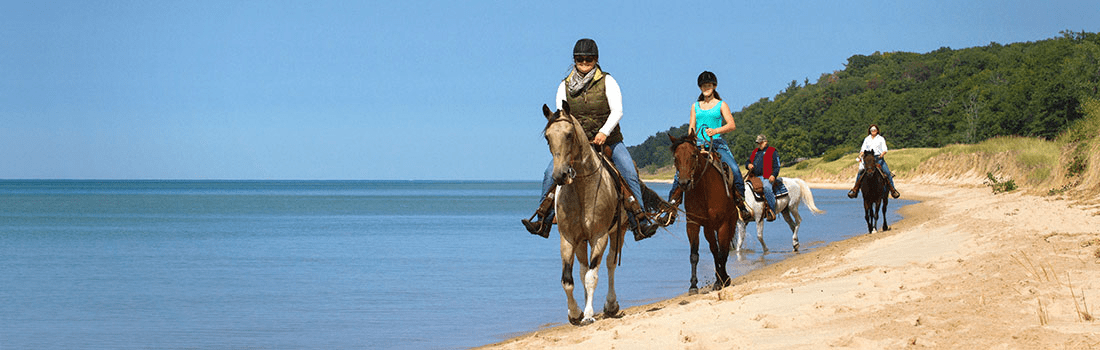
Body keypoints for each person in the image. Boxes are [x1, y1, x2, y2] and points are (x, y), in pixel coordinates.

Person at [521, 38, 659, 241]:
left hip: (609, 140)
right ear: (575, 60)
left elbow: (617, 111)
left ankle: (640, 221)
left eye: (589, 58)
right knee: (550, 172)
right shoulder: (564, 86)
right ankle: (543, 219)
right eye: (580, 59)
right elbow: (562, 117)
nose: (584, 62)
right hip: (576, 144)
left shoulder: (608, 81)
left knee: (628, 170)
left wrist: (604, 132)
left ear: (596, 59)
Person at [663, 71, 751, 222]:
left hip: (716, 143)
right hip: (697, 144)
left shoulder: (721, 104)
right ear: (700, 88)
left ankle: (741, 204)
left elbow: (731, 125)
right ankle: (672, 208)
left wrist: (716, 130)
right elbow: (691, 127)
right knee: (680, 174)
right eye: (704, 86)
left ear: (714, 86)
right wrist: (691, 140)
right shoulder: (695, 106)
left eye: (709, 85)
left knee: (735, 170)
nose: (706, 88)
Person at [847, 124, 901, 199]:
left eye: (874, 130)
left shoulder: (881, 139)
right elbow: (863, 150)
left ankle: (893, 190)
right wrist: (859, 156)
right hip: (868, 158)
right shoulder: (867, 139)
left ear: (877, 130)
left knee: (887, 172)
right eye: (872, 130)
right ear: (870, 131)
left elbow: (885, 149)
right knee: (860, 172)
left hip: (878, 157)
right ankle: (855, 190)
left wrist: (881, 155)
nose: (873, 131)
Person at [746, 134, 780, 222]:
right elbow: (748, 161)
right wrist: (748, 165)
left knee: (766, 188)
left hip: (767, 177)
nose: (759, 145)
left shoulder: (772, 151)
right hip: (755, 177)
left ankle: (772, 210)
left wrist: (773, 175)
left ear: (765, 142)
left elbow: (777, 166)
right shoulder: (755, 152)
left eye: (760, 143)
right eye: (758, 143)